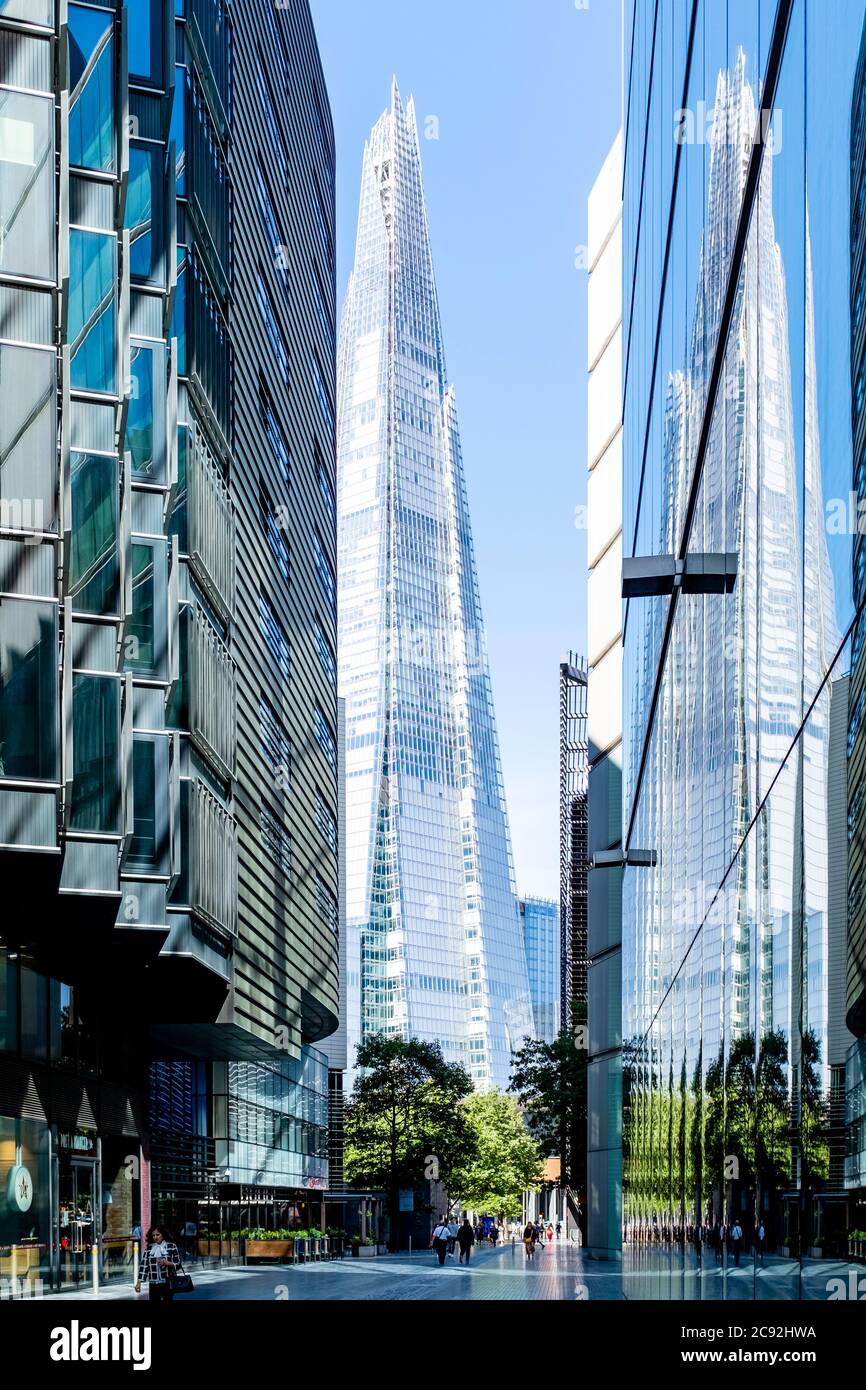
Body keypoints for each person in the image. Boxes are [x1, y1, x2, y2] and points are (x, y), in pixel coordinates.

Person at [135, 1225, 181, 1302]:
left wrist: (168, 1263)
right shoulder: (149, 1248)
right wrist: (139, 1282)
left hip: (168, 1282)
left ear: (163, 1234)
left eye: (158, 1235)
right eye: (153, 1235)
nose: (155, 1237)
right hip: (153, 1283)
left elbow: (178, 1264)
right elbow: (144, 1266)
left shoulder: (171, 1246)